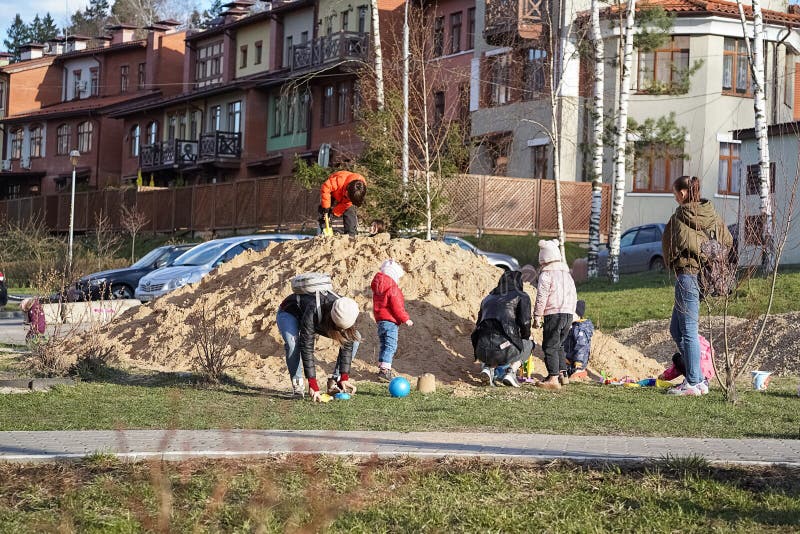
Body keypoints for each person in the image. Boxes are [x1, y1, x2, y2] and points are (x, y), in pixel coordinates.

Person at [662, 175, 732, 396]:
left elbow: (670, 246)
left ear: (682, 193)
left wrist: (680, 257)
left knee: (688, 330)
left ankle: (693, 381)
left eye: (675, 194)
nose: (675, 198)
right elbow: (728, 240)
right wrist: (708, 250)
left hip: (688, 276)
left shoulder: (679, 217)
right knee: (676, 328)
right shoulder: (712, 214)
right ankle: (698, 378)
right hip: (703, 278)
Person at [276, 292, 361, 401]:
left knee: (354, 338)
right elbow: (307, 347)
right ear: (333, 319)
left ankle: (336, 381)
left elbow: (348, 341)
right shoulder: (315, 309)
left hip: (319, 318)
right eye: (339, 327)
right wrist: (313, 385)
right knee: (293, 343)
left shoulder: (349, 310)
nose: (340, 330)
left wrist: (344, 377)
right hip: (289, 312)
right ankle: (298, 385)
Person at [471, 270, 533, 388]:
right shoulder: (521, 296)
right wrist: (525, 337)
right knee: (528, 343)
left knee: (493, 343)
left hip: (481, 350)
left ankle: (488, 369)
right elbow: (525, 323)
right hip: (505, 349)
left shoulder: (488, 298)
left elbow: (479, 323)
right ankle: (511, 372)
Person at [533, 239, 577, 390]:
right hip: (568, 314)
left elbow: (541, 297)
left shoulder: (546, 274)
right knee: (559, 345)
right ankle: (562, 375)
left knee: (550, 346)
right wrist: (572, 312)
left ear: (544, 259)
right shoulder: (567, 274)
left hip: (553, 313)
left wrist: (537, 316)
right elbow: (574, 294)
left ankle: (553, 379)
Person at [371, 259, 413, 382]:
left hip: (381, 321)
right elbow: (397, 307)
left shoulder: (378, 289)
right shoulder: (393, 289)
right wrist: (406, 319)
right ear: (393, 275)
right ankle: (385, 371)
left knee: (384, 344)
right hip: (390, 322)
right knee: (390, 346)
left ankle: (382, 367)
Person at [318, 170, 367, 237]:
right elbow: (326, 187)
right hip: (333, 192)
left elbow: (347, 204)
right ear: (347, 191)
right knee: (324, 210)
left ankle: (351, 236)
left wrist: (335, 212)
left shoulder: (360, 190)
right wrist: (326, 208)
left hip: (347, 200)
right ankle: (325, 231)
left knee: (350, 213)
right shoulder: (340, 181)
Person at [563, 300, 593, 380]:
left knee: (580, 346)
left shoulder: (581, 329)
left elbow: (581, 347)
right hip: (569, 361)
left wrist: (578, 362)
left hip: (578, 362)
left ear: (578, 315)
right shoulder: (572, 326)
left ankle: (580, 371)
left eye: (571, 314)